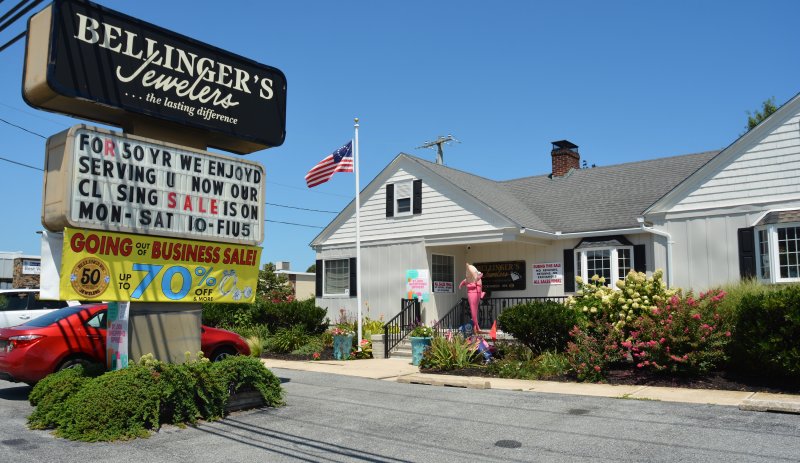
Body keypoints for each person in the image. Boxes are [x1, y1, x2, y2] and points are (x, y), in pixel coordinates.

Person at [459, 263, 485, 332]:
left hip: (476, 294)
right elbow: (463, 283)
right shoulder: (468, 279)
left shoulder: (477, 280)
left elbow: (478, 286)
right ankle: (476, 327)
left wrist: (470, 284)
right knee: (473, 312)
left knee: (474, 312)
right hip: (472, 295)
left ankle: (476, 326)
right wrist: (461, 285)